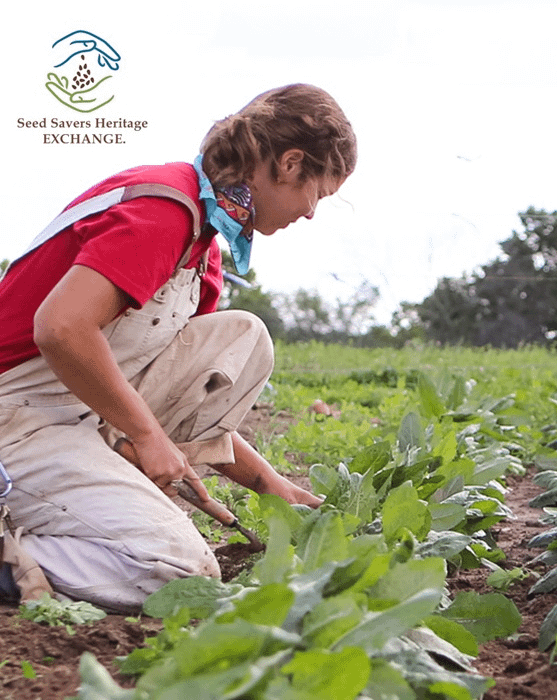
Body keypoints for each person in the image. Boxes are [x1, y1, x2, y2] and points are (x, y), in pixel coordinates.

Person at [0, 83, 357, 612]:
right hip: (16, 421)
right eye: (318, 194)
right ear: (289, 163)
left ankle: (96, 477)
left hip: (74, 412)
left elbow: (188, 399)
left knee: (243, 338)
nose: (309, 213)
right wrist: (146, 436)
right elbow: (61, 328)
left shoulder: (203, 242)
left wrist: (272, 487)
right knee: (180, 570)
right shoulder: (163, 208)